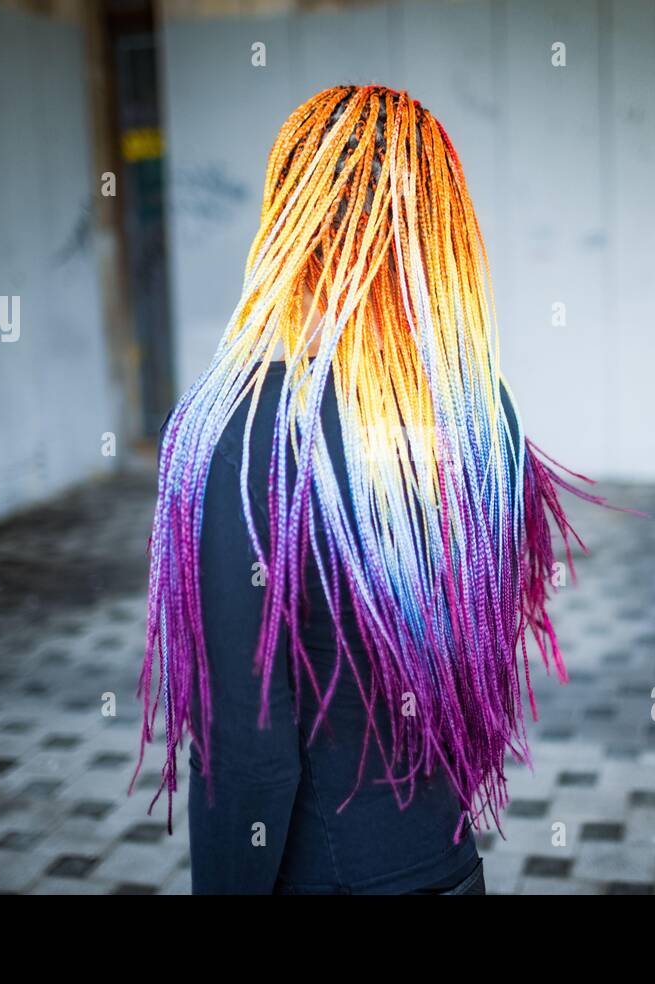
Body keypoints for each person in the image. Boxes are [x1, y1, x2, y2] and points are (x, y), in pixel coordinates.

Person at [135, 84, 600, 894]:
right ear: (438, 229)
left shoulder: (247, 437)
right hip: (453, 872)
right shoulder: (485, 418)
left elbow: (248, 759)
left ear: (294, 221)